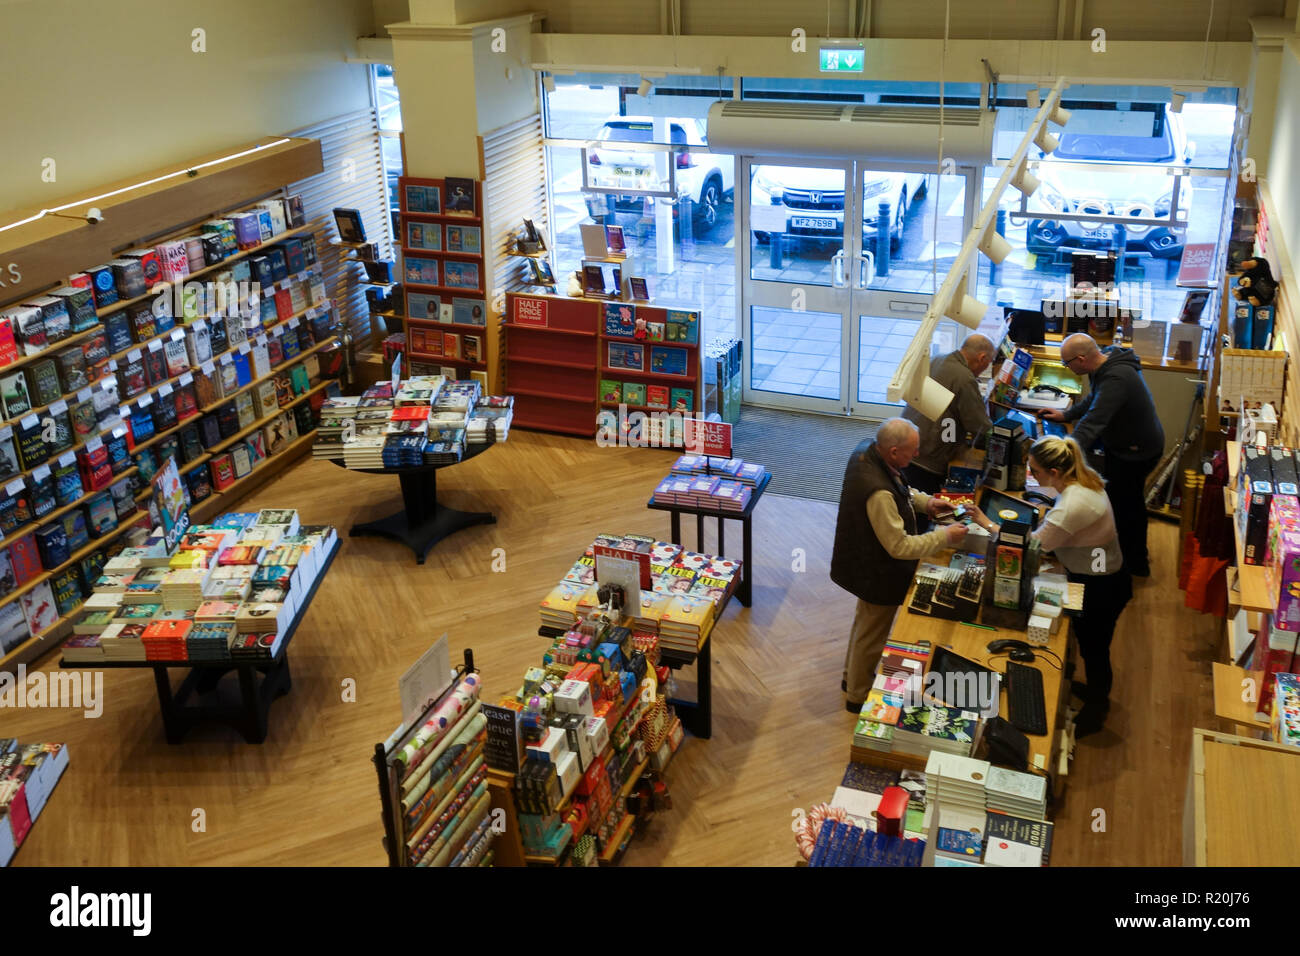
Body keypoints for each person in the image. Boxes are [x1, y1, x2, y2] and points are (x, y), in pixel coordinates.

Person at [968, 435, 1131, 737]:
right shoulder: (1084, 480)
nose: (1033, 476)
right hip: (1102, 574)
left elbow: (1030, 548)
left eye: (1036, 472)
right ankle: (1096, 694)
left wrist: (986, 523)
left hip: (1100, 585)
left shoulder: (1071, 506)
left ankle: (1096, 711)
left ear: (1054, 473)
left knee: (1095, 649)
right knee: (1093, 646)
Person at [831, 418, 967, 712]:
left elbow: (901, 491)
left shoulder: (868, 452)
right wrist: (944, 536)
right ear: (893, 451)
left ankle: (849, 678)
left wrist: (927, 503)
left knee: (864, 625)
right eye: (912, 451)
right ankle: (857, 696)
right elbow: (899, 545)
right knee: (872, 634)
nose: (917, 455)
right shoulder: (877, 492)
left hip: (863, 562)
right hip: (877, 572)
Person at [1040, 333, 1163, 577]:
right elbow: (1094, 401)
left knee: (1127, 505)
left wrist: (1061, 452)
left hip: (1137, 451)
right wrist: (1067, 415)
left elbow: (1094, 421)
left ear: (1082, 359)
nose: (1067, 367)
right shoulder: (1105, 363)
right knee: (1119, 501)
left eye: (1067, 363)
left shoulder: (1117, 377)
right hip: (1125, 445)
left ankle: (1136, 564)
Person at [901, 334, 997, 495]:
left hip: (908, 439)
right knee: (924, 506)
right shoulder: (964, 378)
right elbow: (979, 427)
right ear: (982, 358)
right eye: (989, 362)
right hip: (928, 458)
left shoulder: (937, 358)